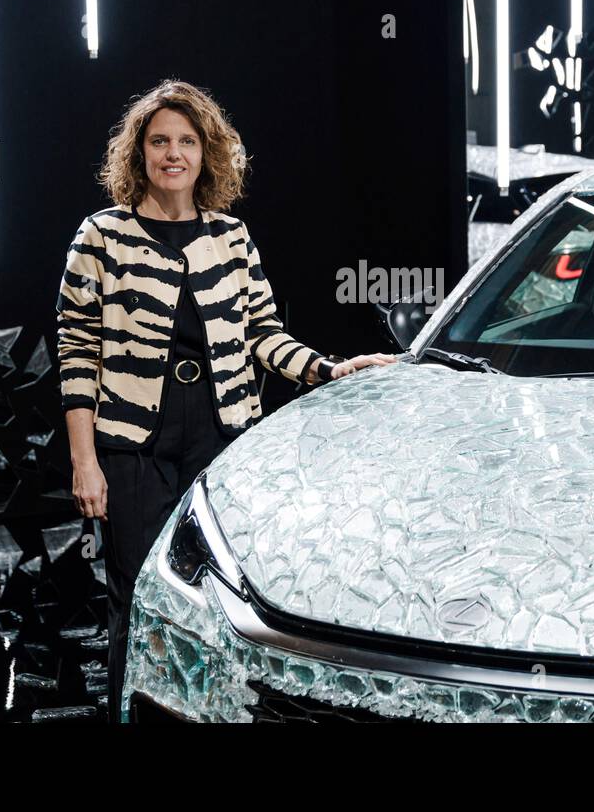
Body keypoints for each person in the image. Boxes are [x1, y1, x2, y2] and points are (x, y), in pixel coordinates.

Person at [55, 79, 396, 722]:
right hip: (133, 442)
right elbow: (76, 352)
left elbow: (263, 334)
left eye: (186, 141)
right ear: (139, 153)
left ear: (206, 153)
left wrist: (327, 368)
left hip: (222, 438)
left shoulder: (231, 237)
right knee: (140, 596)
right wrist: (84, 461)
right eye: (159, 141)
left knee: (219, 599)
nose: (173, 154)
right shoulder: (102, 237)